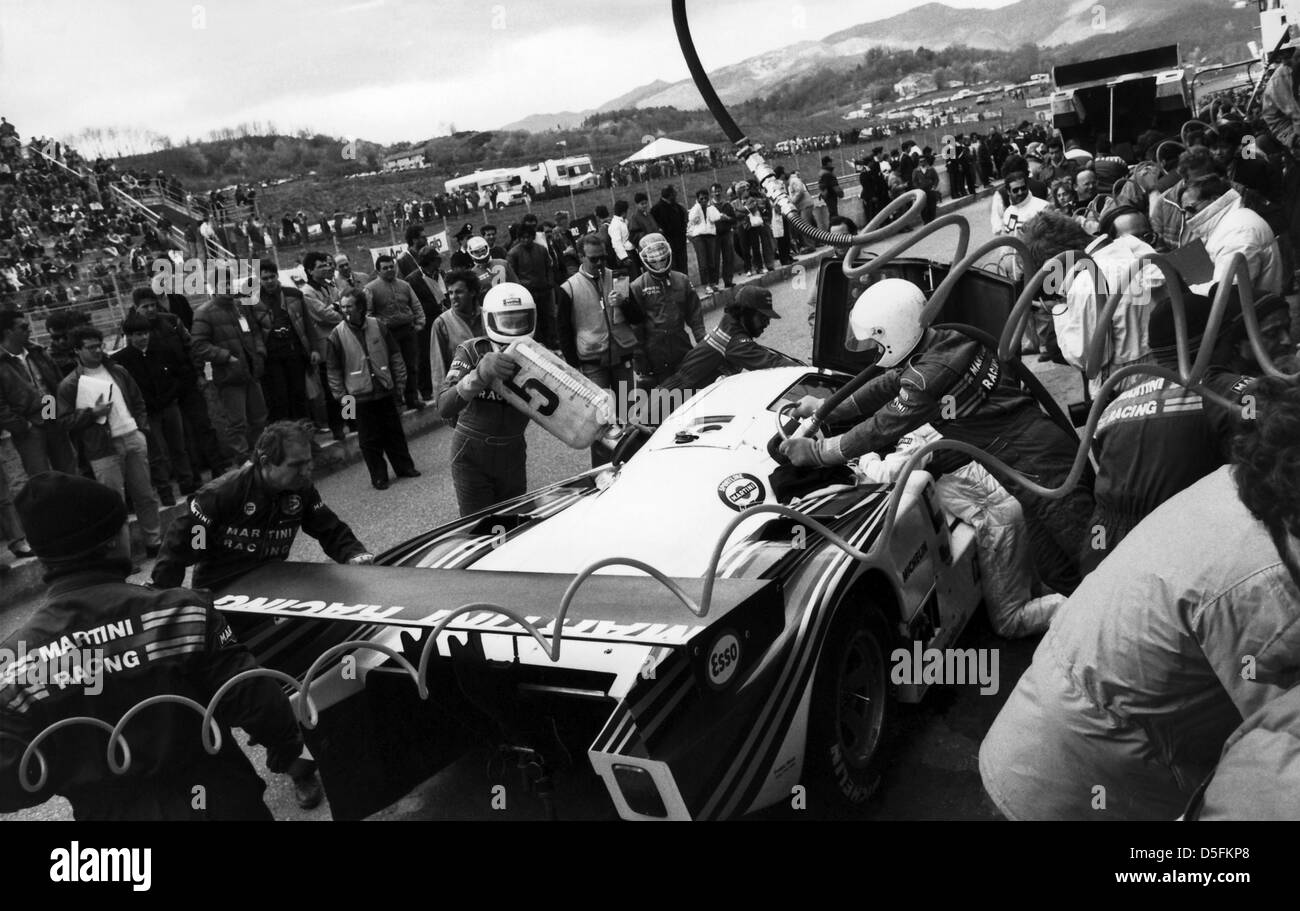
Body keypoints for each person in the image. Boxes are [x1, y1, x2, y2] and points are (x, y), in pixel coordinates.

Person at [979, 371, 1300, 821]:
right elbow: (1280, 761)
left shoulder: (1244, 480)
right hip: (1073, 790)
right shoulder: (1270, 577)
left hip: (1036, 749)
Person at [0, 472, 316, 819]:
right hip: (219, 803)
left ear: (44, 557)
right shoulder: (181, 612)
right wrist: (285, 747)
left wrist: (79, 770)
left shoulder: (17, 662)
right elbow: (256, 699)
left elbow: (10, 783)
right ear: (111, 541)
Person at [780, 279, 1094, 598]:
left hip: (1035, 461)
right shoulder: (948, 339)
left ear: (892, 332)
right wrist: (826, 407)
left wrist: (818, 452)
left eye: (875, 343)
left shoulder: (928, 378)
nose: (874, 353)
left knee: (1093, 559)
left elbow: (880, 428)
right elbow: (887, 384)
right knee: (1055, 569)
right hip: (1024, 461)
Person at [1082, 294, 1251, 574]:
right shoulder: (1222, 389)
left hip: (1100, 541)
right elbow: (1271, 415)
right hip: (1167, 547)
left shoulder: (1117, 403)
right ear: (1223, 340)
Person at [152, 420, 373, 593]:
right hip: (223, 591)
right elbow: (180, 547)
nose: (307, 471)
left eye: (308, 462)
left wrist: (353, 554)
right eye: (296, 465)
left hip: (271, 585)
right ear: (266, 461)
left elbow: (329, 528)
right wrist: (162, 596)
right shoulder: (222, 493)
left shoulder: (301, 490)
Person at [1021, 208, 1164, 397]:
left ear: (1055, 263)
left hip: (1126, 386)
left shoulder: (1087, 283)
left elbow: (1087, 358)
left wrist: (1061, 311)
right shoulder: (1131, 246)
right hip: (1163, 365)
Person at [55, 326, 162, 558]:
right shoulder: (70, 385)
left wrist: (141, 428)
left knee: (145, 495)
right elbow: (63, 421)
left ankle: (154, 542)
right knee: (114, 504)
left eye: (99, 346)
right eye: (90, 348)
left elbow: (137, 400)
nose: (96, 351)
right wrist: (93, 413)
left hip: (132, 436)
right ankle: (122, 555)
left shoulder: (118, 370)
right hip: (102, 448)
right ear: (77, 351)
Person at [437, 283, 536, 517]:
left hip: (512, 452)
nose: (513, 327)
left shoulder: (537, 355)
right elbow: (443, 405)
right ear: (489, 318)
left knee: (513, 526)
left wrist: (604, 415)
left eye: (519, 320)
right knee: (479, 529)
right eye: (507, 321)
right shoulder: (471, 350)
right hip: (471, 454)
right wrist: (479, 375)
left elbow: (569, 405)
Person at [557, 234, 646, 465]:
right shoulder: (568, 288)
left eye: (603, 258)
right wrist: (573, 368)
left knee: (628, 416)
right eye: (594, 259)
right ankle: (603, 469)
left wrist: (624, 303)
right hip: (592, 362)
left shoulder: (619, 278)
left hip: (622, 355)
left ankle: (632, 463)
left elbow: (638, 317)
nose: (600, 264)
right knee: (601, 421)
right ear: (581, 256)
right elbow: (563, 331)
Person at [326, 288, 418, 490]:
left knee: (394, 433)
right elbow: (333, 373)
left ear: (360, 308)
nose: (345, 310)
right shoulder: (336, 335)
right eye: (342, 307)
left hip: (384, 391)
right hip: (358, 398)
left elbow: (395, 356)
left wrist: (399, 386)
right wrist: (345, 405)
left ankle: (405, 468)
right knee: (368, 441)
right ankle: (379, 476)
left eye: (349, 306)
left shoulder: (379, 325)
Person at [657, 285, 801, 399]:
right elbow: (771, 362)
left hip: (678, 395)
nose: (767, 323)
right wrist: (808, 372)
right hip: (672, 401)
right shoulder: (733, 339)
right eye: (763, 318)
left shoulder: (730, 325)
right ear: (746, 313)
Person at [113, 312, 196, 505]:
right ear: (129, 336)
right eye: (137, 334)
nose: (143, 338)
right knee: (156, 453)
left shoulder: (163, 350)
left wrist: (171, 394)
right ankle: (165, 490)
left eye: (145, 333)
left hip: (169, 405)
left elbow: (179, 374)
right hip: (146, 411)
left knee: (179, 446)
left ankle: (187, 482)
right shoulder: (122, 360)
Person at [191, 278, 269, 465]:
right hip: (229, 377)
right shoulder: (204, 313)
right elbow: (199, 345)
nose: (226, 288)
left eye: (228, 284)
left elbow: (256, 331)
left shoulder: (240, 306)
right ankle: (243, 460)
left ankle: (263, 455)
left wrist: (259, 350)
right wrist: (226, 357)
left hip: (251, 372)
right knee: (237, 423)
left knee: (259, 418)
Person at [1179, 173, 1285, 298]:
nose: (1187, 216)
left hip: (1253, 310)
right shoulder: (1230, 223)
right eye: (1183, 211)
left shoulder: (1237, 230)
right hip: (1247, 304)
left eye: (1191, 208)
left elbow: (1229, 290)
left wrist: (1188, 290)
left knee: (1166, 309)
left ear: (1215, 199)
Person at [0, 309, 77, 476]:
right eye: (23, 327)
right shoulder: (2, 362)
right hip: (28, 424)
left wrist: (60, 411)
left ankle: (70, 501)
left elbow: (57, 383)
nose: (29, 329)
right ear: (8, 332)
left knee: (67, 470)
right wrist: (20, 426)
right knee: (40, 476)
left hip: (51, 414)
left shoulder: (38, 351)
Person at [628, 232, 706, 388]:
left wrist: (703, 341)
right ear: (645, 261)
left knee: (691, 391)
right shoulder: (637, 286)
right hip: (654, 353)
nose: (659, 264)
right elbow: (635, 327)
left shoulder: (682, 280)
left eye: (662, 260)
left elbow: (695, 315)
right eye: (654, 262)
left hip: (681, 346)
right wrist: (640, 359)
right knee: (665, 400)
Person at [251, 259, 316, 424]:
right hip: (271, 357)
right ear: (259, 279)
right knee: (279, 399)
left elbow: (307, 324)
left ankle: (305, 435)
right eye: (264, 278)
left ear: (277, 275)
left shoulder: (293, 294)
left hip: (295, 352)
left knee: (299, 395)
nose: (269, 281)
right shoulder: (251, 300)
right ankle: (285, 438)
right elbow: (253, 330)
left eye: (272, 276)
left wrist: (314, 349)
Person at [365, 254, 426, 412]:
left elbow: (416, 305)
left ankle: (412, 398)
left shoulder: (404, 285)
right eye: (385, 268)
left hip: (407, 330)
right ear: (378, 271)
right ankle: (397, 400)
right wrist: (377, 331)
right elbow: (368, 313)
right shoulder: (371, 288)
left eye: (391, 266)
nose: (389, 270)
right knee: (393, 367)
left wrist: (419, 323)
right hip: (387, 334)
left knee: (411, 365)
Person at [508, 213, 557, 350]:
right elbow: (513, 274)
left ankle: (551, 342)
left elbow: (549, 268)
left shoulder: (541, 250)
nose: (526, 240)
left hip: (543, 290)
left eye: (528, 237)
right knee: (532, 320)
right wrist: (521, 290)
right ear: (519, 238)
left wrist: (549, 283)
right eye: (523, 238)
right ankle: (536, 345)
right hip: (527, 293)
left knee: (547, 317)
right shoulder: (514, 253)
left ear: (533, 237)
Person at [431, 269, 484, 391]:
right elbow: (438, 369)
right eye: (450, 293)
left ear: (472, 292)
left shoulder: (488, 315)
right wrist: (442, 401)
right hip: (461, 394)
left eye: (459, 292)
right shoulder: (441, 323)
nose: (453, 297)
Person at [406, 246, 447, 402]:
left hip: (444, 319)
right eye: (437, 259)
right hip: (426, 325)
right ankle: (426, 390)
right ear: (431, 261)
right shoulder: (412, 280)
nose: (440, 261)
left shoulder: (442, 275)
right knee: (425, 356)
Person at [650, 186, 688, 285]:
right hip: (667, 244)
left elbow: (684, 221)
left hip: (680, 242)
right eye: (674, 194)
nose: (676, 196)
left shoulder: (678, 207)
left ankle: (685, 285)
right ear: (670, 195)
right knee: (672, 267)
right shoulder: (656, 209)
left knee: (683, 266)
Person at [686, 188, 722, 293]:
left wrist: (709, 207)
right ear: (697, 199)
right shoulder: (695, 209)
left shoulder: (711, 208)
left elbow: (716, 217)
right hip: (699, 237)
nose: (704, 200)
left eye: (706, 198)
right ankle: (705, 285)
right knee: (703, 262)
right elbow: (691, 218)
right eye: (701, 198)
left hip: (710, 235)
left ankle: (713, 283)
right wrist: (698, 206)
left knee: (712, 261)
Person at [817, 156, 843, 223]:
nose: (832, 163)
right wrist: (840, 193)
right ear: (828, 163)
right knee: (833, 213)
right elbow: (834, 185)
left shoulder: (822, 172)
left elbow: (823, 185)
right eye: (830, 162)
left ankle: (832, 229)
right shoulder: (827, 173)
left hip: (827, 195)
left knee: (832, 212)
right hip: (830, 195)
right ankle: (833, 229)